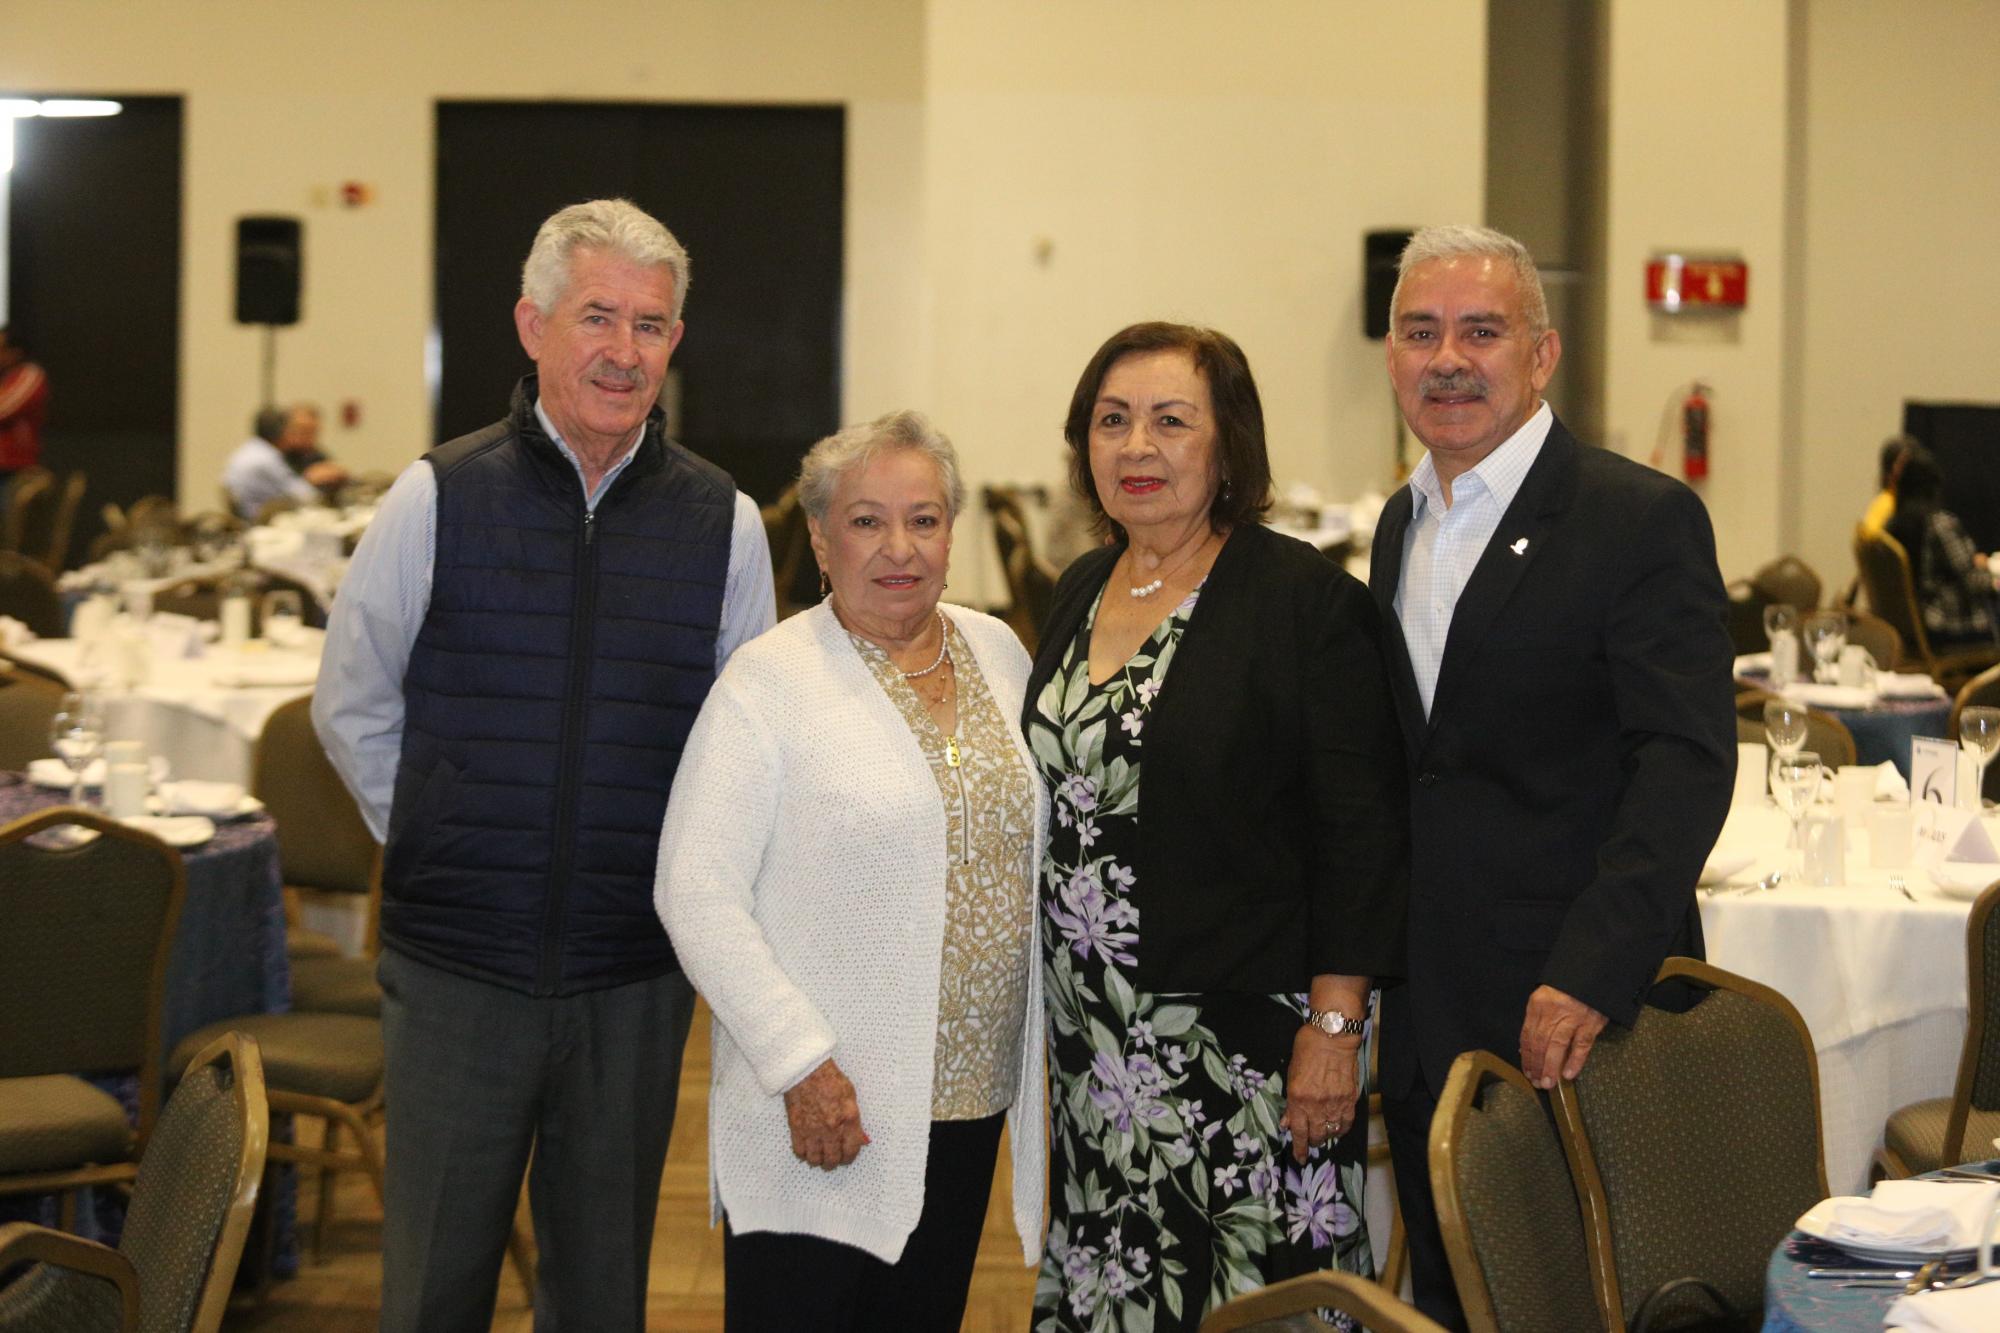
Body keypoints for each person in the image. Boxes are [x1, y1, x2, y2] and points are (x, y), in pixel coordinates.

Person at [314, 197, 775, 1333]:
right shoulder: (435, 496)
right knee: (433, 1290)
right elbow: (351, 701)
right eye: (596, 318)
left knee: (601, 1296)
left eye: (652, 326)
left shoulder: (725, 525)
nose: (624, 352)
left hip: (631, 976)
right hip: (457, 970)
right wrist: (438, 832)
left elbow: (746, 748)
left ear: (675, 344)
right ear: (531, 325)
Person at [1369, 224, 1735, 1328]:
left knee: (1579, 1293)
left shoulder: (1636, 520)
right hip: (1428, 992)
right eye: (1418, 331)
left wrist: (1590, 970)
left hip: (1571, 1005)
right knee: (1450, 1283)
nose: (1446, 358)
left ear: (1541, 354)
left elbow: (1681, 761)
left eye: (1480, 332)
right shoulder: (1400, 524)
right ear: (1388, 355)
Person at [1022, 322, 1407, 1329]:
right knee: (1116, 1280)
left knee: (1250, 1286)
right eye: (1111, 422)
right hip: (1094, 1041)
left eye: (1168, 421)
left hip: (1238, 1049)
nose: (1135, 447)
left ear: (1227, 443)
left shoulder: (1302, 602)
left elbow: (1357, 830)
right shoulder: (1077, 589)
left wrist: (1334, 1028)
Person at [655, 410, 1045, 1332]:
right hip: (830, 1101)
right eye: (867, 521)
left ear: (952, 533)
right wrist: (800, 1063)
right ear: (822, 541)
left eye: (925, 518)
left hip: (968, 1091)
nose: (899, 547)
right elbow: (694, 890)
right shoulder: (769, 682)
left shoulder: (999, 651)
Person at [1886, 444, 1998, 646]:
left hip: (1913, 624)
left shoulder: (1894, 524)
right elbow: (1972, 581)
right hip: (1949, 624)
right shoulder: (1940, 524)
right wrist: (1995, 582)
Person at [222, 402, 347, 519]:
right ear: (281, 432)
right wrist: (310, 479)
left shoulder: (250, 450)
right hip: (259, 520)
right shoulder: (267, 459)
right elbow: (305, 496)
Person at [0, 327, 50, 484]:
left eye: (1, 349)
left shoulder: (30, 374)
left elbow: (3, 409)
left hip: (13, 468)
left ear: (16, 351)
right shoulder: (4, 378)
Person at [1859, 434, 1914, 538]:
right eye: (1904, 465)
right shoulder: (1885, 506)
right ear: (1889, 472)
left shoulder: (1913, 507)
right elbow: (1872, 544)